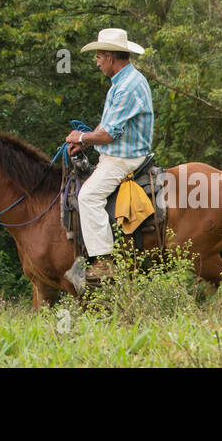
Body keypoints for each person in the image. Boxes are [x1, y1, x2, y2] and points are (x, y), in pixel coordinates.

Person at [64, 27, 154, 283]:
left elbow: (109, 135)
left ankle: (104, 262)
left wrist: (82, 137)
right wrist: (86, 143)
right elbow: (105, 128)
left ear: (111, 58)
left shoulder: (127, 87)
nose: (97, 63)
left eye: (99, 57)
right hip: (115, 155)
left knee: (88, 196)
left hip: (123, 159)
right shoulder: (123, 82)